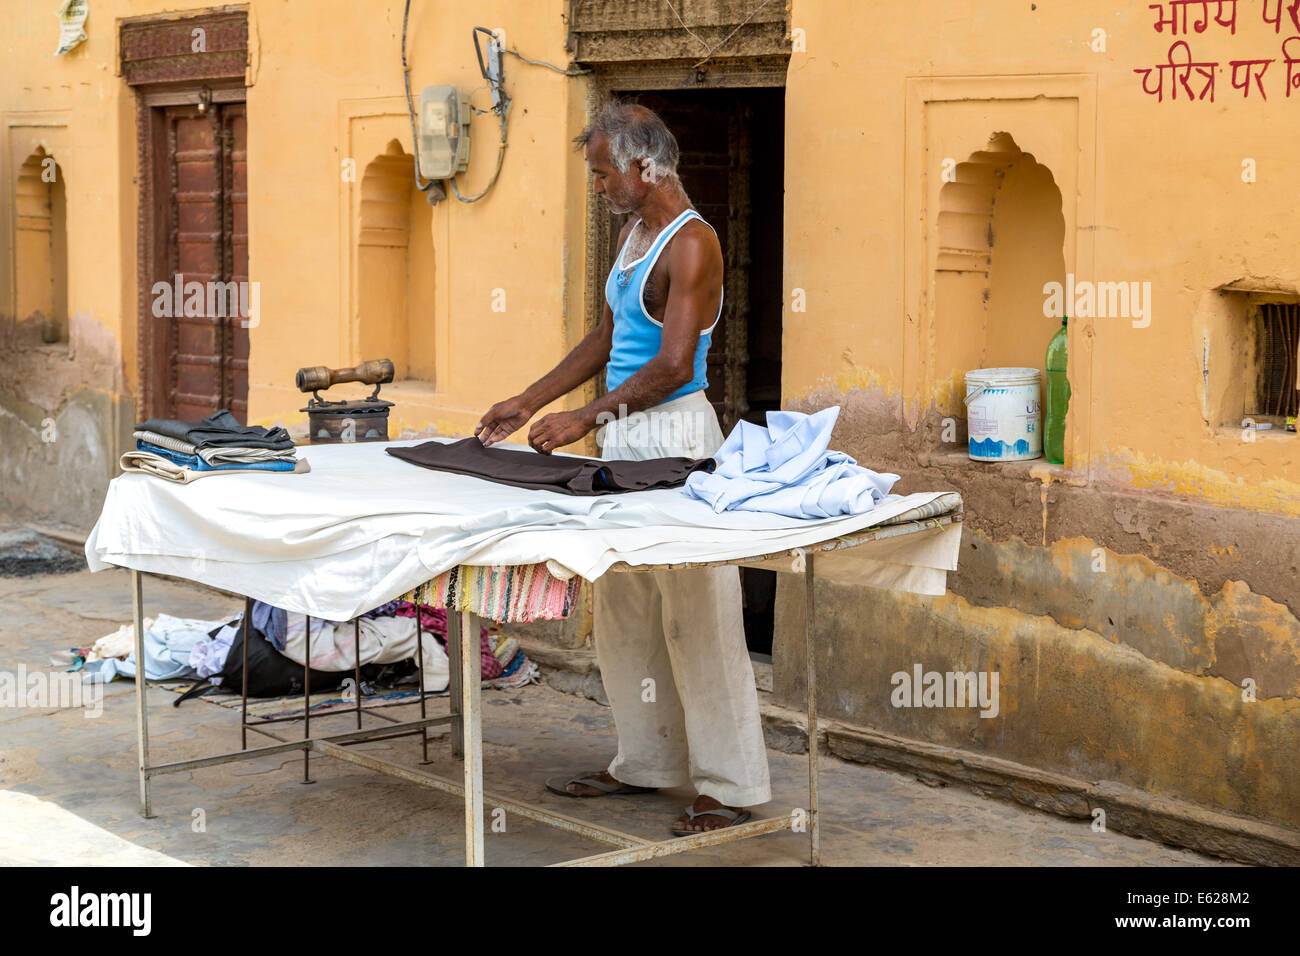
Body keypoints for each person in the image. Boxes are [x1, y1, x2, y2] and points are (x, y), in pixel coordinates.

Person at [475, 100, 771, 836]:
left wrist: (585, 417)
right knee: (627, 613)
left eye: (605, 173)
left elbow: (672, 366)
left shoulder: (692, 244)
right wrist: (530, 399)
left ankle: (731, 785)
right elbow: (608, 336)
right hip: (624, 440)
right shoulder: (634, 234)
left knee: (698, 614)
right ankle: (648, 762)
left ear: (646, 167)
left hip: (674, 438)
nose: (600, 186)